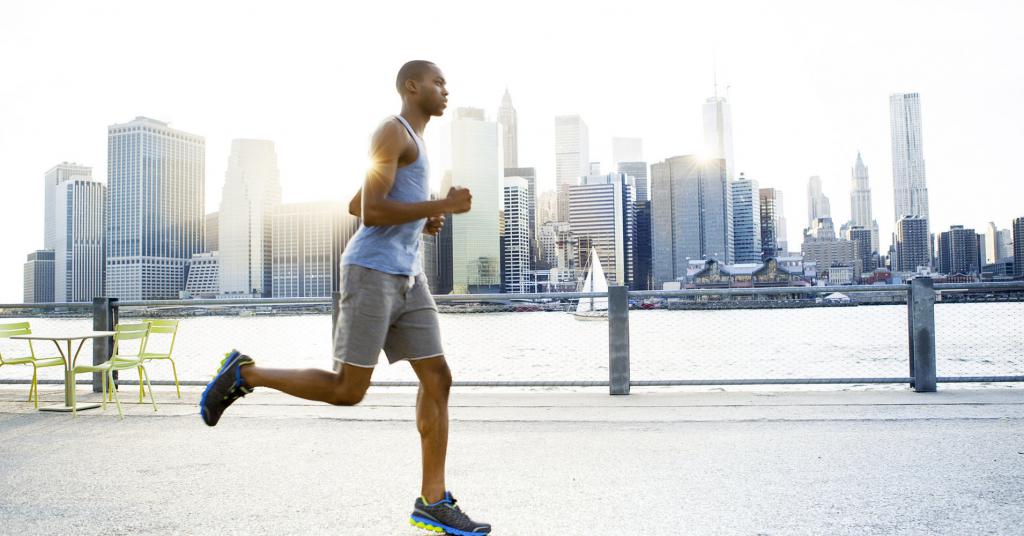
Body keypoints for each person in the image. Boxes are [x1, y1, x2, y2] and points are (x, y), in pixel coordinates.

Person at [199, 60, 491, 535]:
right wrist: (442, 205)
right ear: (411, 87)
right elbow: (371, 213)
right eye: (438, 82)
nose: (446, 90)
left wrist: (423, 220)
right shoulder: (392, 132)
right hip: (371, 272)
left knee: (437, 378)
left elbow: (356, 202)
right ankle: (245, 373)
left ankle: (432, 501)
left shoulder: (416, 145)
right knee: (347, 390)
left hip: (408, 277)